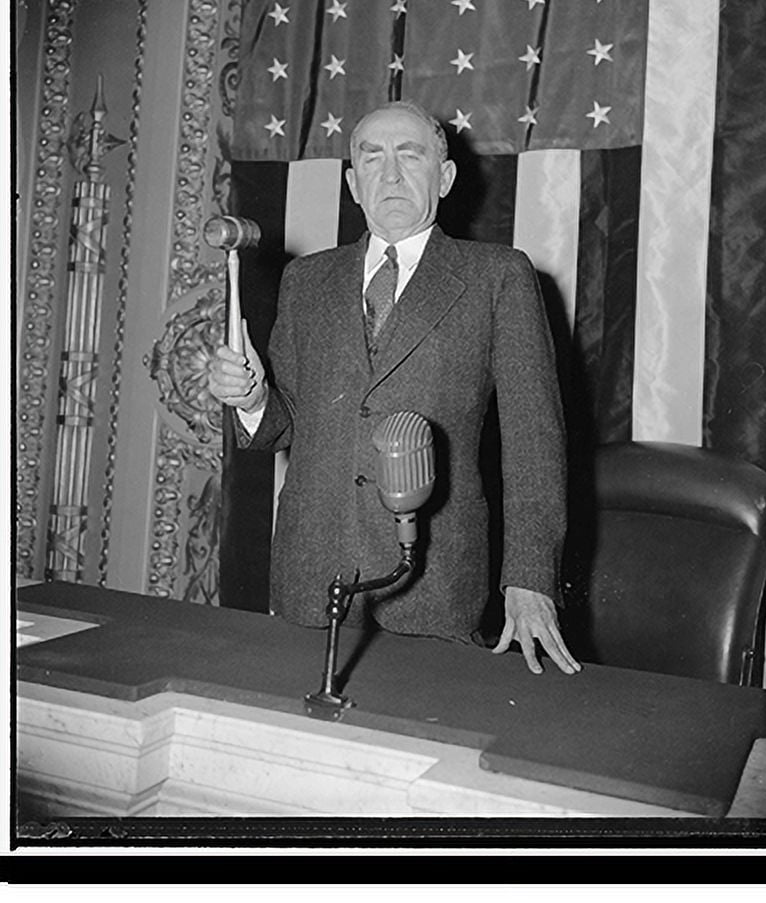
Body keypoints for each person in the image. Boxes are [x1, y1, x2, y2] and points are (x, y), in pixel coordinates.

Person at [208, 100, 581, 676]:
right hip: (312, 573)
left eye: (410, 156)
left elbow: (535, 444)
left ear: (447, 176)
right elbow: (284, 427)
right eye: (372, 158)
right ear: (353, 185)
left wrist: (529, 580)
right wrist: (253, 398)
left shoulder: (497, 277)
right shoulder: (307, 281)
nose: (390, 174)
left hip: (434, 582)